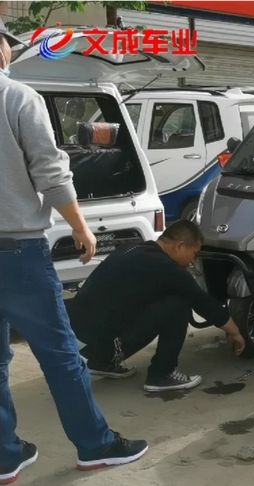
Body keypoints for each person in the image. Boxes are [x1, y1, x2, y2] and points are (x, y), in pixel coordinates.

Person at [0, 23, 147, 483]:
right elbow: (51, 172)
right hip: (17, 252)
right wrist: (81, 228)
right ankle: (95, 445)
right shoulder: (18, 98)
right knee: (61, 354)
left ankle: (5, 455)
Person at [69, 220, 246, 393]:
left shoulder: (131, 249)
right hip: (99, 345)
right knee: (178, 304)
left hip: (79, 339)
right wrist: (235, 332)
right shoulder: (167, 268)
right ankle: (162, 375)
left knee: (158, 301)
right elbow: (203, 303)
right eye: (194, 254)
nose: (193, 261)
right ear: (180, 246)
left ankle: (101, 363)